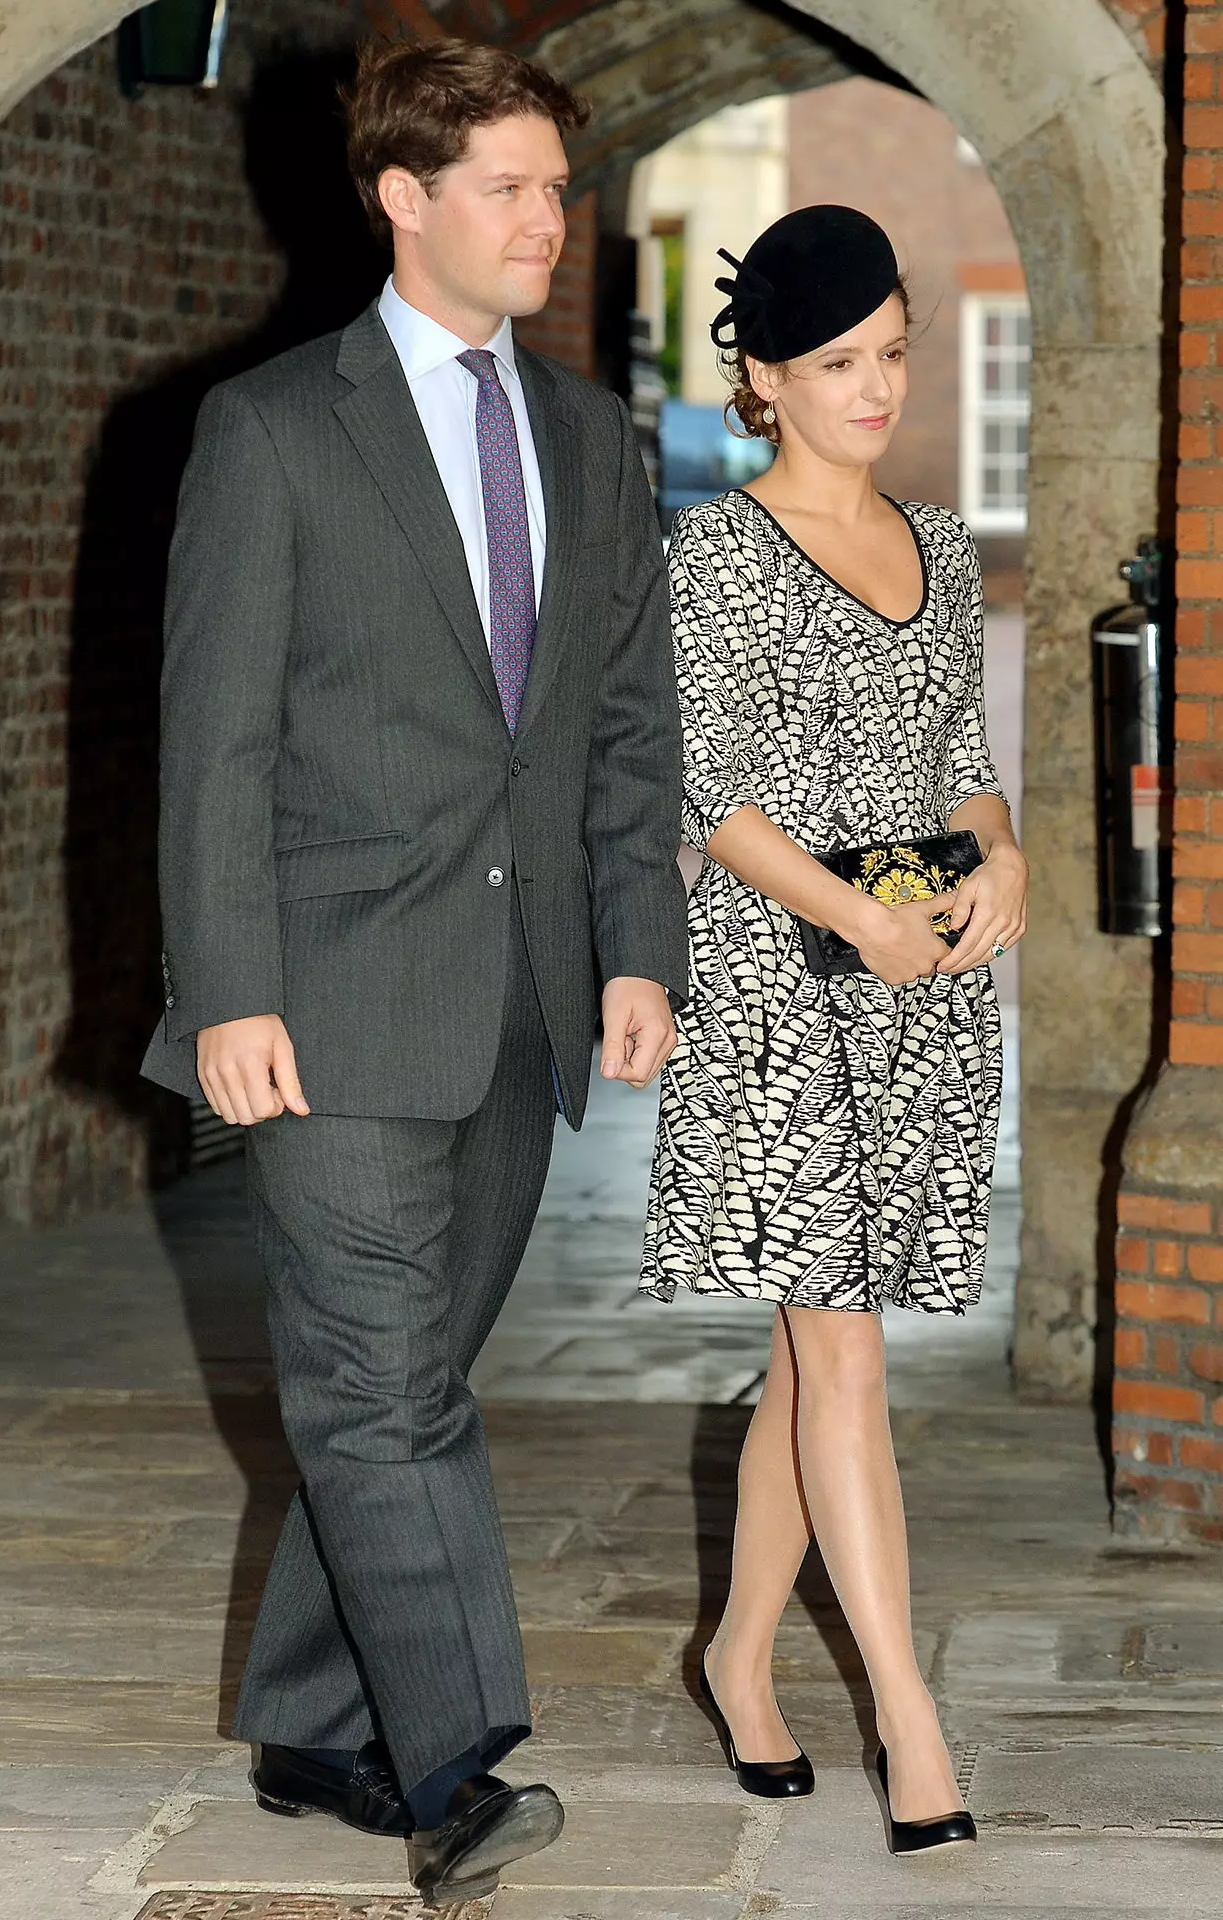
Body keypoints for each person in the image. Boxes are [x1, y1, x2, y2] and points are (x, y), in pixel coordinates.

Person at [142, 37, 686, 1908]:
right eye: (512, 187)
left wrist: (637, 948)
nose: (549, 218)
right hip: (325, 992)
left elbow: (626, 727)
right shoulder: (277, 429)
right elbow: (211, 744)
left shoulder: (593, 439)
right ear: (404, 197)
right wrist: (228, 991)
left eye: (556, 186)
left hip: (525, 992)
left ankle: (308, 1715)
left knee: (407, 1369)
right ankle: (452, 1763)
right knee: (383, 1396)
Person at [641, 206, 1028, 1855]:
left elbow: (959, 752)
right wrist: (849, 912)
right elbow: (708, 788)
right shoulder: (715, 554)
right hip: (784, 1000)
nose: (873, 390)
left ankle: (738, 1651)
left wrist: (1001, 849)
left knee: (822, 1352)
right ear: (762, 377)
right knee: (840, 1348)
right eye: (836, 365)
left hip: (919, 998)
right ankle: (908, 1720)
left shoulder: (941, 546)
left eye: (890, 356)